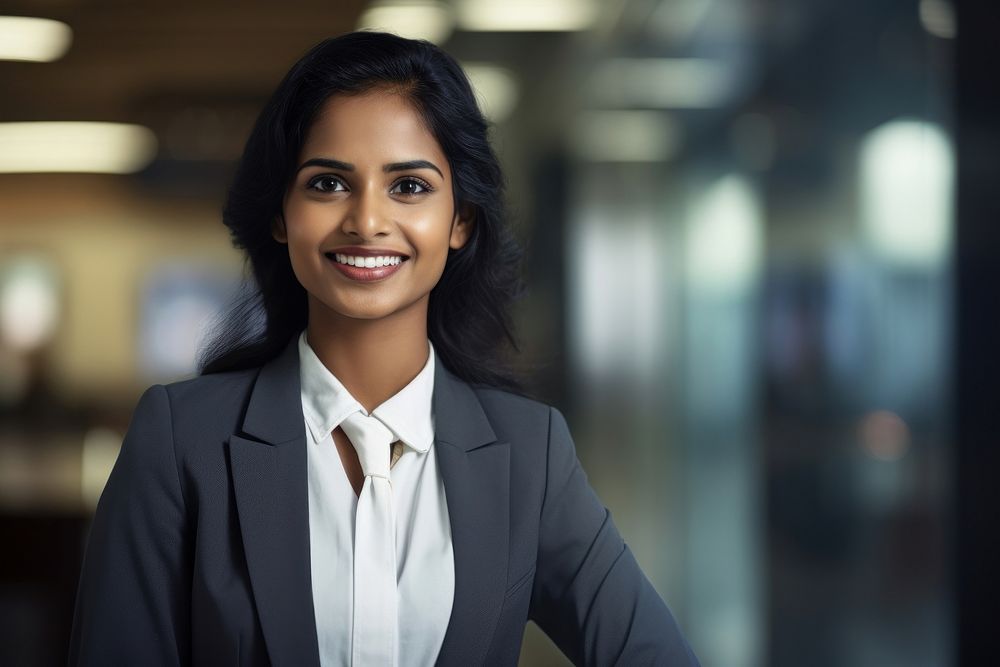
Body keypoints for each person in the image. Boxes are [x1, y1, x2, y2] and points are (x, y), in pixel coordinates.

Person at [67, 31, 700, 666]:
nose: (366, 221)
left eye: (410, 187)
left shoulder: (531, 455)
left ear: (461, 221)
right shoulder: (180, 442)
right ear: (281, 214)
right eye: (327, 184)